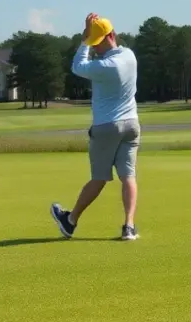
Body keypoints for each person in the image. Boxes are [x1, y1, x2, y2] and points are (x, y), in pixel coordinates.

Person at [50, 13, 141, 241]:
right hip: (131, 124)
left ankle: (70, 222)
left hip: (106, 126)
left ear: (109, 36)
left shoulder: (103, 66)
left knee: (99, 177)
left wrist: (83, 40)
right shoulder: (129, 56)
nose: (96, 47)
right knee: (128, 176)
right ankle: (129, 226)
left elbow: (77, 66)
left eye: (97, 43)